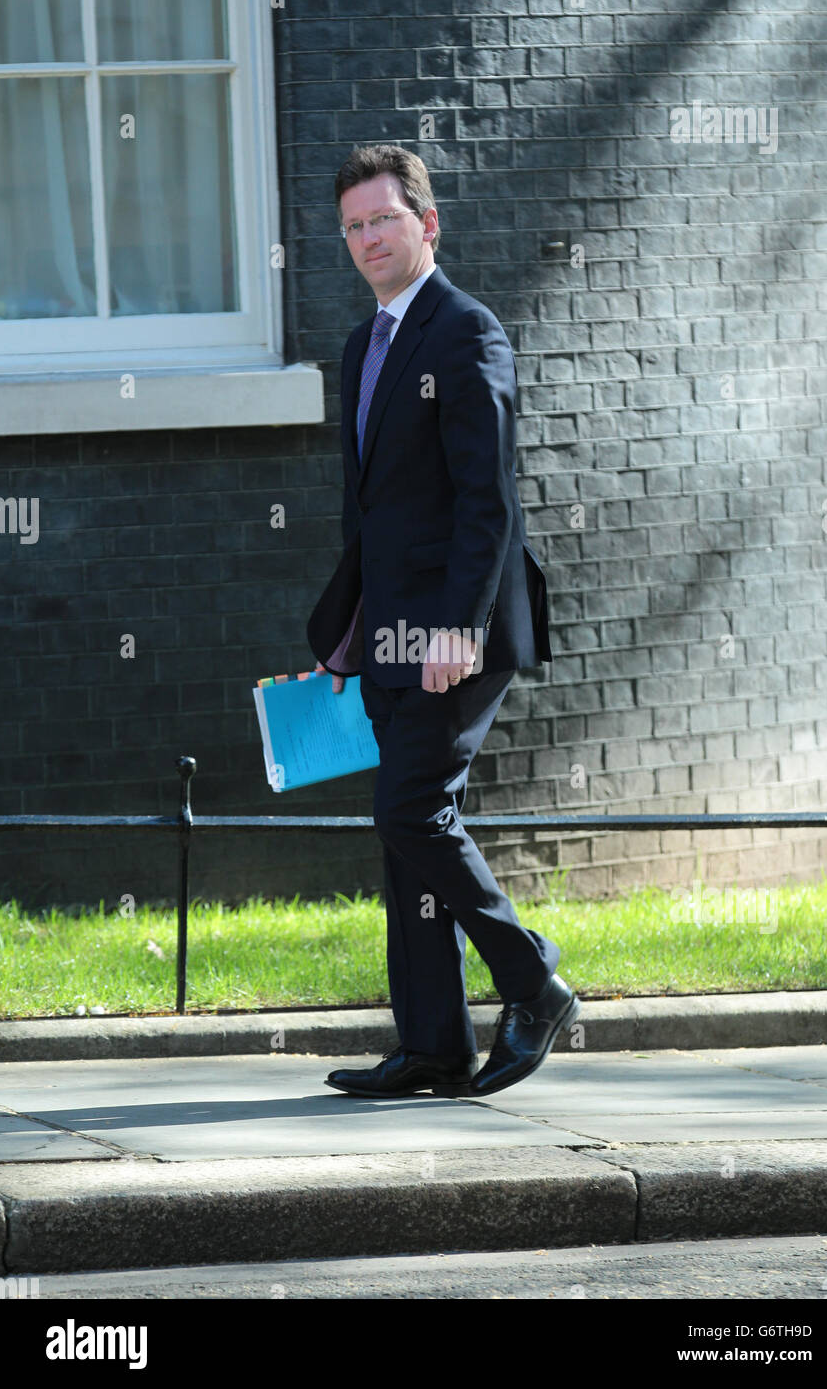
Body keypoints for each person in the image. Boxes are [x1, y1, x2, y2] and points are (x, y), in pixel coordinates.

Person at [306, 144, 580, 1099]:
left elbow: (487, 498)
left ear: (427, 225)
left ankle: (532, 979)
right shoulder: (363, 345)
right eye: (352, 226)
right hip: (388, 633)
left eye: (384, 218)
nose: (368, 237)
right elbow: (372, 513)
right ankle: (431, 1046)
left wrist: (455, 628)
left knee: (411, 810)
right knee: (406, 831)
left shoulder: (466, 332)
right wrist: (348, 636)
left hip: (456, 630)